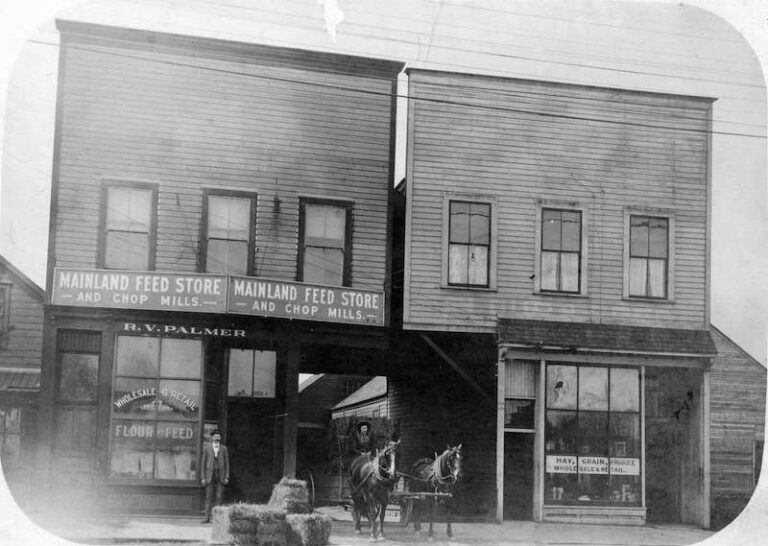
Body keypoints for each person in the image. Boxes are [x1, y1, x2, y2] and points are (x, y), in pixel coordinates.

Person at [200, 430, 230, 524]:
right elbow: (203, 463)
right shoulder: (207, 448)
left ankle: (217, 519)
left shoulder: (224, 448)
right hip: (209, 475)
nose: (217, 438)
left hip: (220, 475)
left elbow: (227, 464)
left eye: (219, 437)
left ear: (220, 438)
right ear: (212, 437)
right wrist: (203, 477)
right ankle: (206, 518)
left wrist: (226, 476)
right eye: (215, 436)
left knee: (219, 497)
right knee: (208, 496)